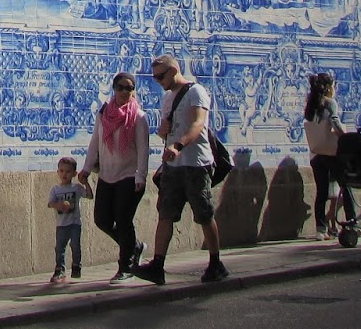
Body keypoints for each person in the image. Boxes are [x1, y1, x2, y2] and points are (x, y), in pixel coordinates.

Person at [131, 54, 227, 284]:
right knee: (165, 214)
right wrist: (163, 132)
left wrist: (178, 145)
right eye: (154, 77)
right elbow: (167, 130)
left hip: (196, 164)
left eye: (161, 76)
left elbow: (197, 124)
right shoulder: (167, 98)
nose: (158, 81)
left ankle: (216, 263)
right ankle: (158, 265)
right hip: (173, 167)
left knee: (204, 214)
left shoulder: (196, 92)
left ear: (174, 70)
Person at [79, 71, 149, 281]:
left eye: (129, 88)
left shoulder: (138, 116)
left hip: (128, 176)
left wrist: (141, 176)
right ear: (114, 88)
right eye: (120, 87)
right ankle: (134, 246)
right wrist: (86, 168)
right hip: (107, 175)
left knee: (123, 219)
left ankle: (126, 267)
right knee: (102, 220)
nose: (124, 92)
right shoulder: (104, 114)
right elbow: (95, 143)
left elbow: (144, 149)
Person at [304, 71, 356, 240]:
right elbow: (335, 121)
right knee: (345, 186)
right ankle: (352, 222)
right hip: (330, 153)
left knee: (321, 192)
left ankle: (321, 229)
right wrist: (346, 136)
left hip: (316, 154)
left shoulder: (310, 104)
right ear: (328, 88)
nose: (334, 89)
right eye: (333, 85)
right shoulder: (330, 103)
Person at [45, 157, 85, 284]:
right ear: (58, 172)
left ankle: (76, 265)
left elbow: (89, 195)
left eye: (68, 171)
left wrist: (86, 183)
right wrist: (59, 205)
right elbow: (50, 204)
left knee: (75, 245)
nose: (64, 174)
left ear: (74, 173)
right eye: (61, 171)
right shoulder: (55, 189)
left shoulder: (76, 188)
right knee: (60, 248)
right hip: (61, 224)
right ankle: (60, 270)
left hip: (74, 223)